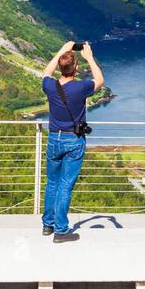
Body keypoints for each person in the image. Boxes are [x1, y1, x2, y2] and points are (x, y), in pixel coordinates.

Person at [40, 40, 104, 242]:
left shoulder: (50, 86)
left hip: (53, 138)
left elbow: (46, 73)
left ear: (60, 67)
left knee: (52, 183)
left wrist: (62, 50)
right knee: (65, 185)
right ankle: (60, 230)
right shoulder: (81, 87)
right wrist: (90, 58)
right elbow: (100, 80)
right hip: (73, 140)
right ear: (76, 68)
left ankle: (47, 225)